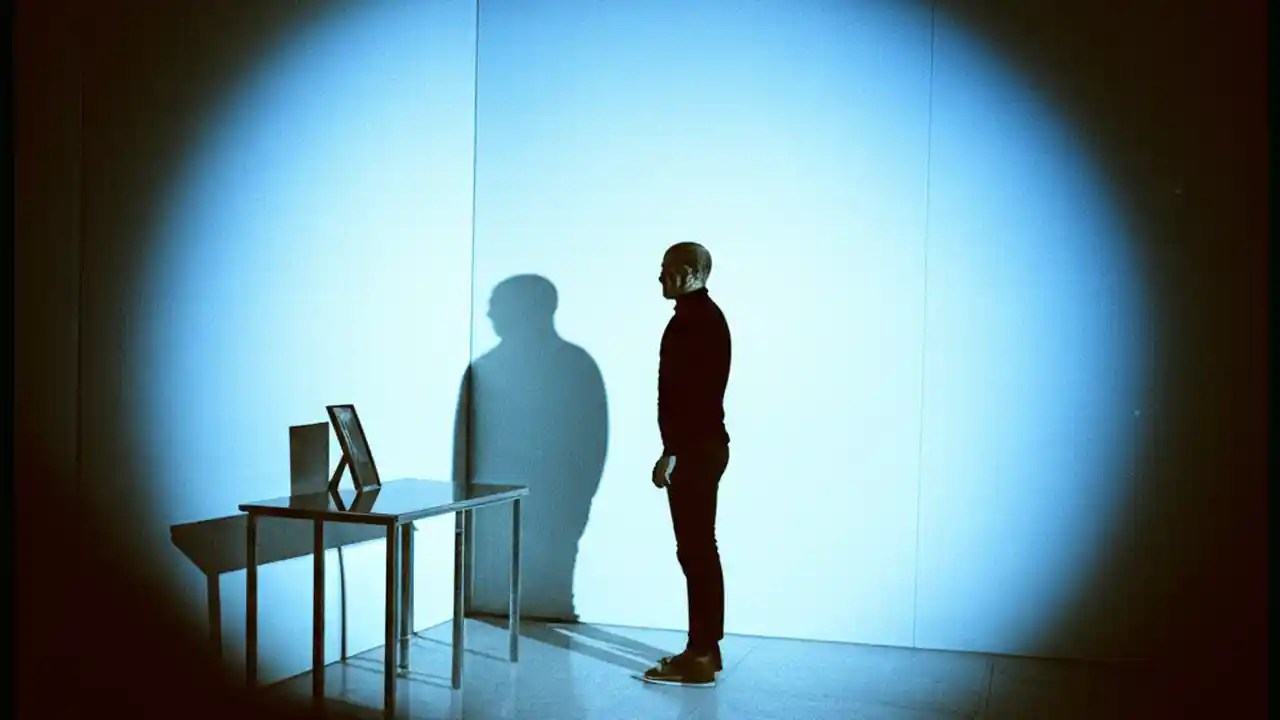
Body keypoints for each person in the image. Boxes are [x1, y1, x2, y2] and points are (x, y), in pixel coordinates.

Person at [641, 242, 732, 687]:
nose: (659, 277)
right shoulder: (698, 319)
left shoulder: (694, 323)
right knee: (698, 549)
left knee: (695, 550)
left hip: (695, 449)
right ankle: (705, 648)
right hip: (702, 446)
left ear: (690, 272)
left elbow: (691, 395)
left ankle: (700, 653)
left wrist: (672, 451)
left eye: (666, 269)